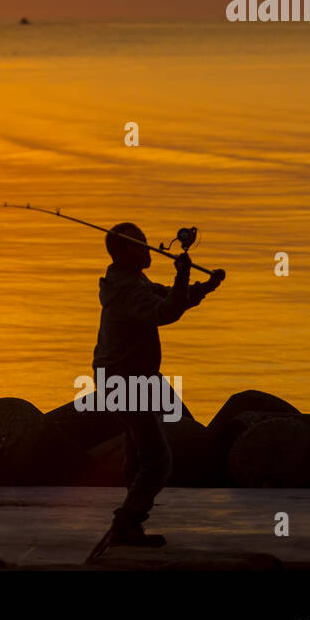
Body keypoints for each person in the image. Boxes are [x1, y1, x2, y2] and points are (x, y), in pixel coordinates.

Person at [93, 222, 225, 547]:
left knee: (137, 452)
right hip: (122, 380)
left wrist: (203, 287)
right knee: (158, 459)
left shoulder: (131, 280)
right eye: (139, 245)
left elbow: (167, 296)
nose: (148, 249)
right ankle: (127, 521)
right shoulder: (127, 291)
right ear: (123, 253)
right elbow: (165, 312)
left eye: (146, 242)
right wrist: (183, 277)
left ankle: (130, 526)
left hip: (130, 377)